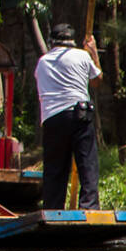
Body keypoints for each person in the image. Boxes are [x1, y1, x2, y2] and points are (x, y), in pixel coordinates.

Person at [36, 23, 101, 208]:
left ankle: (52, 209)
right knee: (87, 163)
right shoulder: (83, 56)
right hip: (79, 114)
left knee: (55, 169)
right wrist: (93, 52)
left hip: (53, 118)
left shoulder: (42, 61)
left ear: (52, 42)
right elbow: (97, 81)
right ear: (72, 41)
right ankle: (89, 207)